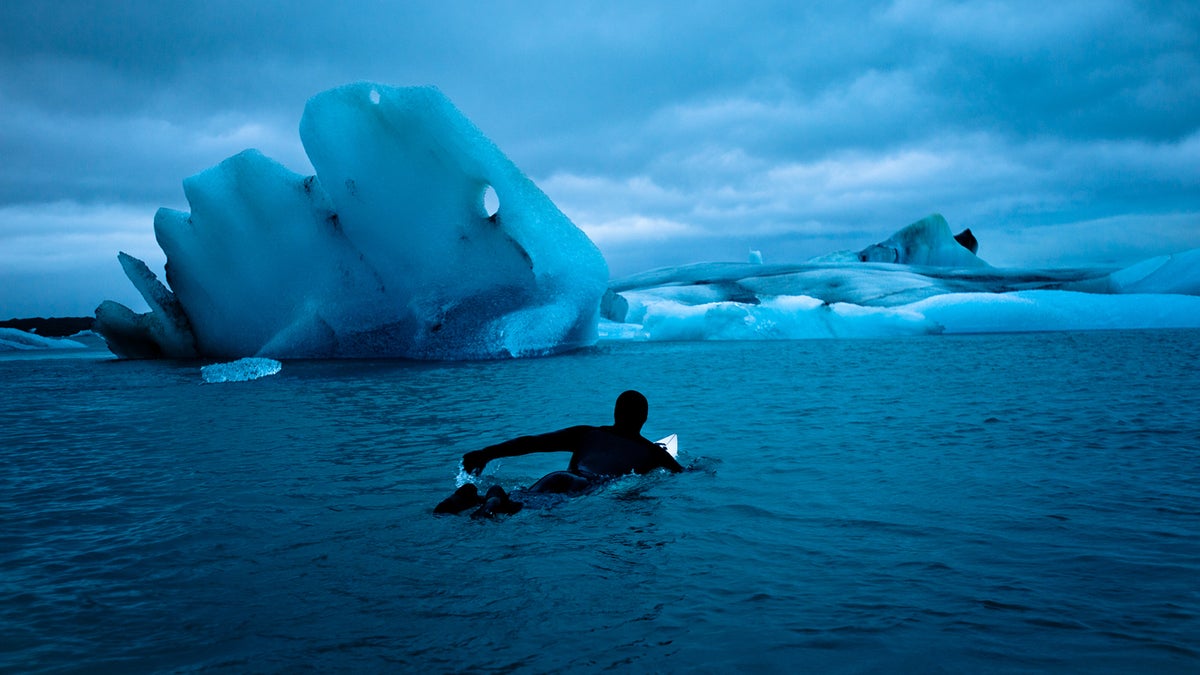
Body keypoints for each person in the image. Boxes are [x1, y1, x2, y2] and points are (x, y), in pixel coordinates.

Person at [434, 390, 683, 518]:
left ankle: (483, 497)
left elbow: (532, 443)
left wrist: (486, 453)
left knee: (522, 498)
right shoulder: (652, 453)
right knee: (524, 510)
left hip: (558, 476)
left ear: (615, 413)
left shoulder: (586, 433)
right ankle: (492, 500)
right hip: (581, 486)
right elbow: (683, 475)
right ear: (644, 418)